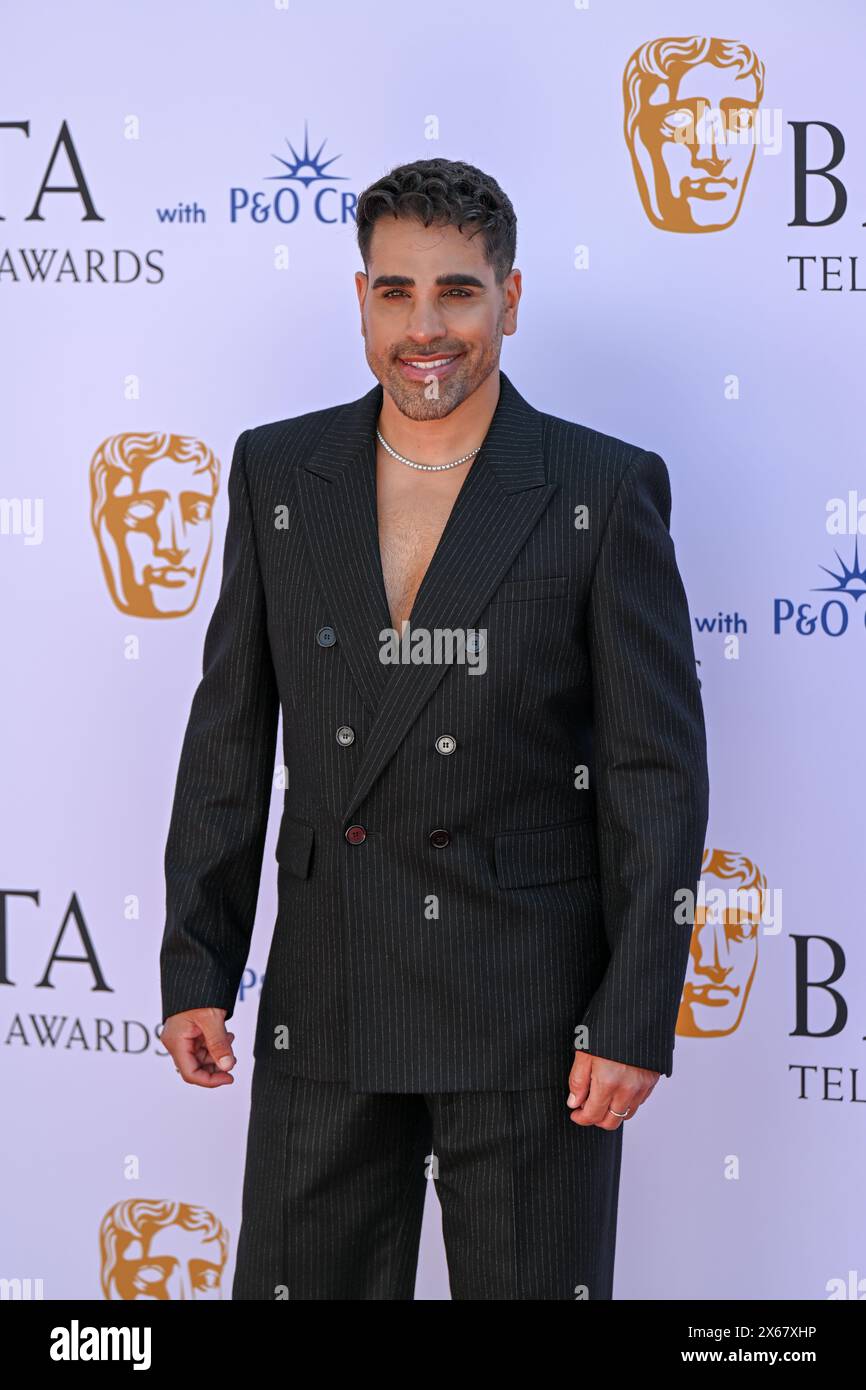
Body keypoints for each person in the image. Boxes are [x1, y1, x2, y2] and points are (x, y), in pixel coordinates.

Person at [159, 158, 710, 1300]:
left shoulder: (600, 488)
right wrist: (195, 963)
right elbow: (227, 735)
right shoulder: (277, 468)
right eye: (396, 292)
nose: (426, 327)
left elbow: (652, 770)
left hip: (529, 1011)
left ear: (509, 300)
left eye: (457, 292)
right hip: (328, 993)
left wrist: (633, 1009)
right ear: (359, 298)